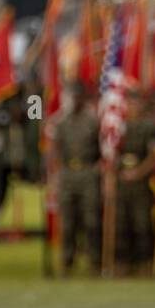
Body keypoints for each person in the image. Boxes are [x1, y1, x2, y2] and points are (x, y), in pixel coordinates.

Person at [53, 80, 101, 271]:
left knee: (91, 219)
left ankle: (94, 259)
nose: (75, 100)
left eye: (78, 96)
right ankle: (67, 259)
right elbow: (56, 150)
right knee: (67, 221)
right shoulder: (61, 123)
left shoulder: (92, 121)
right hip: (67, 173)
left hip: (88, 172)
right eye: (72, 96)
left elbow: (100, 148)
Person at [115, 84, 155, 271]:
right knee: (122, 223)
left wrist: (138, 172)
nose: (133, 106)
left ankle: (145, 261)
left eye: (136, 102)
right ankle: (123, 262)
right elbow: (111, 154)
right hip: (121, 181)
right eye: (129, 102)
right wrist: (117, 173)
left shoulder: (149, 127)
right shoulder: (118, 126)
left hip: (141, 182)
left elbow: (154, 155)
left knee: (142, 223)